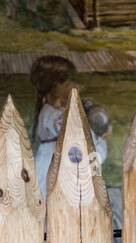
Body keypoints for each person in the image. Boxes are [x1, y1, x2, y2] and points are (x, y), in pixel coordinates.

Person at [29, 56, 111, 197]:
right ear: (54, 86)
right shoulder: (50, 114)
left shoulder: (59, 111)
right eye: (68, 83)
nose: (74, 86)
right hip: (55, 166)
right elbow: (73, 131)